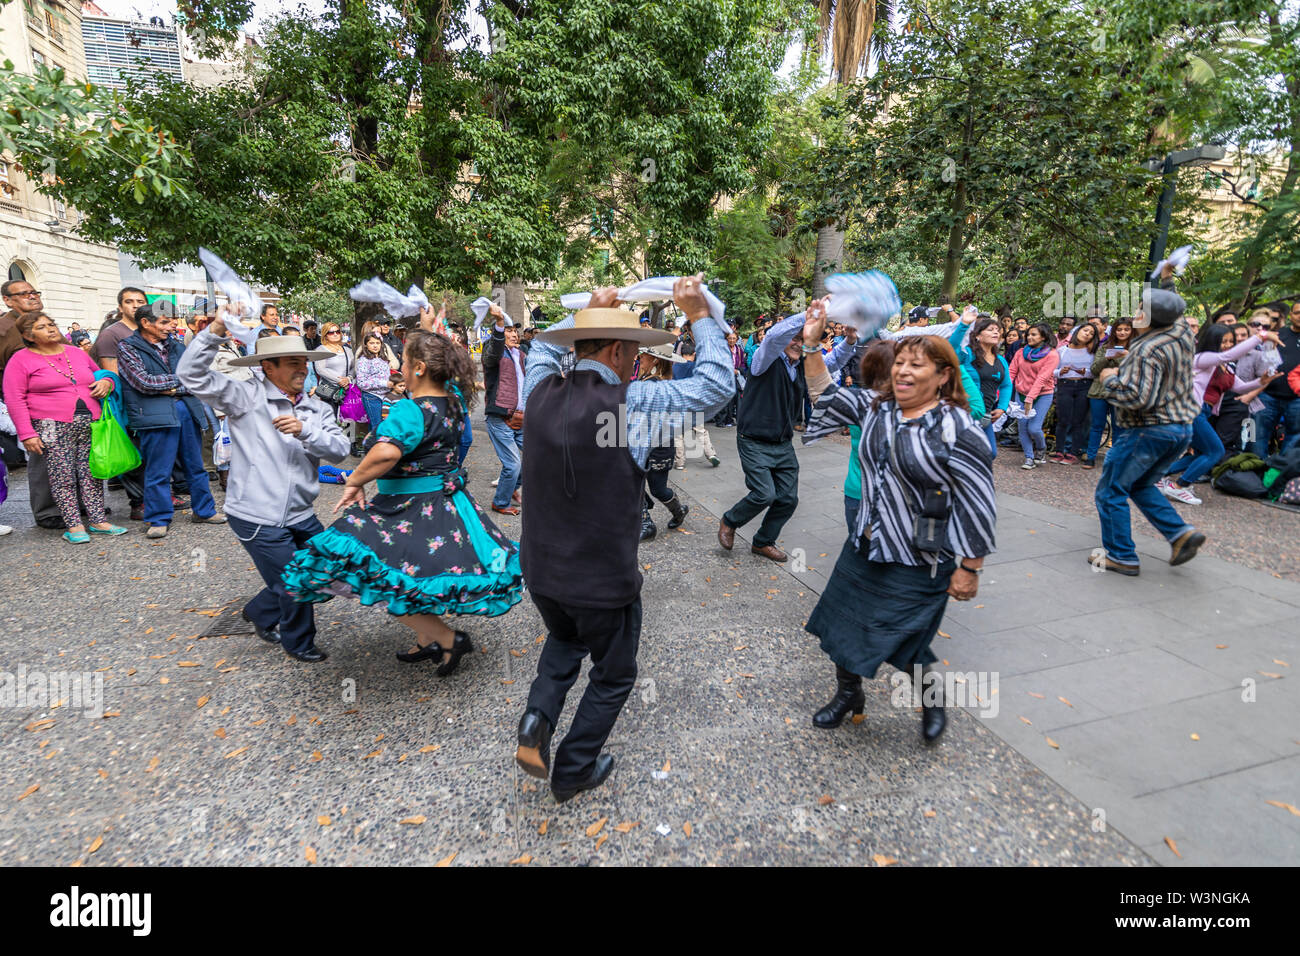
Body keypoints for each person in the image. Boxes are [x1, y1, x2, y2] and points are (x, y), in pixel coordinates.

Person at [513, 276, 733, 802]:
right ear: (617, 350)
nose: (634, 364)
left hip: (541, 571)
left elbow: (544, 348)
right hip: (601, 579)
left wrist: (588, 311)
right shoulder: (634, 403)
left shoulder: (538, 391)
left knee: (565, 639)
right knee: (613, 674)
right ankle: (573, 768)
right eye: (631, 353)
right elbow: (718, 388)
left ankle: (535, 720)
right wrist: (700, 316)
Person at [800, 303, 995, 742]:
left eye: (917, 365)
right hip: (866, 544)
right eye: (900, 363)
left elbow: (978, 503)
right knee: (843, 625)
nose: (904, 372)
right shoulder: (875, 408)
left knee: (906, 642)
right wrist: (812, 342)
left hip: (921, 556)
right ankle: (849, 694)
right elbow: (823, 394)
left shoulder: (959, 430)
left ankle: (931, 702)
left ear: (944, 375)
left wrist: (970, 568)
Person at [282, 329, 521, 666]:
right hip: (447, 506)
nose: (401, 370)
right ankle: (429, 638)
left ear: (420, 368)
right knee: (410, 579)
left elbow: (384, 455)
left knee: (378, 576)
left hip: (410, 509)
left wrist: (355, 480)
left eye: (406, 364)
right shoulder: (451, 401)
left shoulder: (410, 410)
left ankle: (449, 639)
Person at [179, 315, 350, 662]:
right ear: (268, 367)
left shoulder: (315, 408)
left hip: (300, 513)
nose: (302, 369)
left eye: (303, 361)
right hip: (256, 514)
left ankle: (260, 610)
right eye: (292, 363)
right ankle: (299, 643)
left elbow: (341, 451)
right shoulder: (245, 396)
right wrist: (212, 334)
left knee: (329, 574)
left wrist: (306, 431)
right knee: (298, 581)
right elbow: (190, 375)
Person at [1092, 288, 1203, 575]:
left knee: (1110, 492)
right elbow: (1174, 311)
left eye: (1141, 311)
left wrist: (1110, 378)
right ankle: (1180, 535)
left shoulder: (1146, 350)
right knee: (1140, 485)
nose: (1136, 315)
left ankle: (1121, 555)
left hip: (1147, 431)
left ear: (1151, 319)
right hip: (1180, 430)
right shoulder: (1182, 336)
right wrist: (1166, 280)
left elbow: (1139, 398)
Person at [2, 311, 127, 542]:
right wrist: (27, 433)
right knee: (63, 476)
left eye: (51, 324)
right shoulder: (21, 359)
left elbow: (101, 374)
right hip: (51, 425)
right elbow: (14, 398)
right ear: (28, 335)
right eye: (42, 327)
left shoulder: (75, 352)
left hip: (90, 421)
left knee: (92, 472)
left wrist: (107, 382)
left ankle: (98, 520)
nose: (50, 329)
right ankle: (74, 525)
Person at [116, 304, 226, 539]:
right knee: (158, 470)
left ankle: (204, 511)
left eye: (172, 321)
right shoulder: (127, 347)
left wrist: (172, 387)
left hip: (187, 410)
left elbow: (197, 377)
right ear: (146, 323)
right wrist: (179, 384)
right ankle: (158, 518)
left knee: (196, 466)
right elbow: (143, 382)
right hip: (155, 415)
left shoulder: (175, 345)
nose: (172, 325)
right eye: (165, 321)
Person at [717, 305, 810, 563]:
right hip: (754, 440)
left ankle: (763, 542)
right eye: (795, 337)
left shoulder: (800, 366)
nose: (797, 343)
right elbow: (774, 335)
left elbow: (833, 362)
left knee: (788, 499)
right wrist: (808, 315)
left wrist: (849, 342)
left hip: (782, 444)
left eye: (802, 339)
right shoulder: (763, 357)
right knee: (764, 494)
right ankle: (730, 520)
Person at [1156, 322, 1280, 504]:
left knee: (1201, 454)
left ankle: (1157, 476)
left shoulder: (1226, 366)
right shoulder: (1202, 358)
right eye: (1224, 341)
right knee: (1215, 451)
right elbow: (1228, 355)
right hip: (1192, 410)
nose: (1228, 345)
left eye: (1231, 341)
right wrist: (1260, 336)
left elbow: (1240, 387)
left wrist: (1262, 381)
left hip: (1203, 412)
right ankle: (1180, 486)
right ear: (1213, 341)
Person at [636, 343, 691, 539]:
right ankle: (645, 521)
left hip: (657, 446)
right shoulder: (648, 380)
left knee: (659, 489)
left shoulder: (654, 384)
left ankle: (679, 510)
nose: (639, 357)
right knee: (634, 483)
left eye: (644, 354)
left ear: (655, 360)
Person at [481, 307, 526, 516]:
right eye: (508, 330)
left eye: (515, 330)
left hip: (522, 419)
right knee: (513, 465)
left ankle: (511, 489)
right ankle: (501, 501)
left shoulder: (521, 354)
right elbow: (494, 351)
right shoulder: (492, 351)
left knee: (538, 458)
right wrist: (498, 326)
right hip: (500, 418)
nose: (514, 334)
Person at [955, 316, 1012, 458]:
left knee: (990, 453)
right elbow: (953, 350)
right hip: (966, 412)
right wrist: (963, 325)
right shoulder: (967, 354)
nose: (996, 333)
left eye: (997, 330)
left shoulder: (1001, 360)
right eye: (990, 329)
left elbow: (1006, 385)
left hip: (986, 414)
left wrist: (1002, 407)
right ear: (978, 335)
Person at [1251, 299, 1300, 457]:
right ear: (1290, 315)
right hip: (1268, 395)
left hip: (1297, 399)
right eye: (1297, 312)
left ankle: (1278, 474)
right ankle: (1256, 472)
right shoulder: (1279, 334)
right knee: (1256, 435)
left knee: (1295, 438)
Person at [1083, 319, 1134, 468]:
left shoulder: (1135, 348)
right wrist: (1107, 358)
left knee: (1119, 427)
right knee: (1096, 425)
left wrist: (1124, 356)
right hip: (1099, 391)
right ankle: (1090, 457)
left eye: (1126, 329)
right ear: (1114, 331)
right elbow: (1094, 369)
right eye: (1119, 329)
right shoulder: (1104, 347)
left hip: (1121, 392)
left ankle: (1114, 459)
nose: (1122, 332)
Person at [1009, 323, 1059, 468]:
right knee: (1023, 428)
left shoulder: (1052, 355)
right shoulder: (1021, 352)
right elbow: (1012, 372)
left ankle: (1041, 449)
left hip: (1042, 395)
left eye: (1034, 334)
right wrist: (1004, 392)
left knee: (1034, 428)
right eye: (1028, 334)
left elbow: (1042, 379)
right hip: (1022, 393)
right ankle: (1029, 458)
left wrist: (1030, 399)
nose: (1029, 337)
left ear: (1043, 337)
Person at [1050, 323, 1100, 463]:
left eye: (1091, 333)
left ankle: (1073, 453)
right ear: (1078, 331)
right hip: (1065, 385)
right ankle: (1059, 451)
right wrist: (1061, 372)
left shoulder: (1092, 351)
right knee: (1063, 420)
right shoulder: (1062, 351)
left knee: (1079, 421)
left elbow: (1096, 372)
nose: (1087, 334)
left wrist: (1086, 372)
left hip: (1084, 385)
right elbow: (1051, 371)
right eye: (1085, 330)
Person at [670, 341, 720, 469]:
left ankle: (680, 462)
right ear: (694, 354)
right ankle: (711, 454)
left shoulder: (674, 368)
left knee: (678, 435)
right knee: (701, 431)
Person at [355, 333, 393, 429]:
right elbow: (361, 382)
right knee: (377, 425)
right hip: (372, 396)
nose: (375, 345)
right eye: (372, 343)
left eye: (378, 343)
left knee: (384, 424)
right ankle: (373, 443)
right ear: (366, 345)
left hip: (386, 396)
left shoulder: (383, 358)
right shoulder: (363, 360)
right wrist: (384, 383)